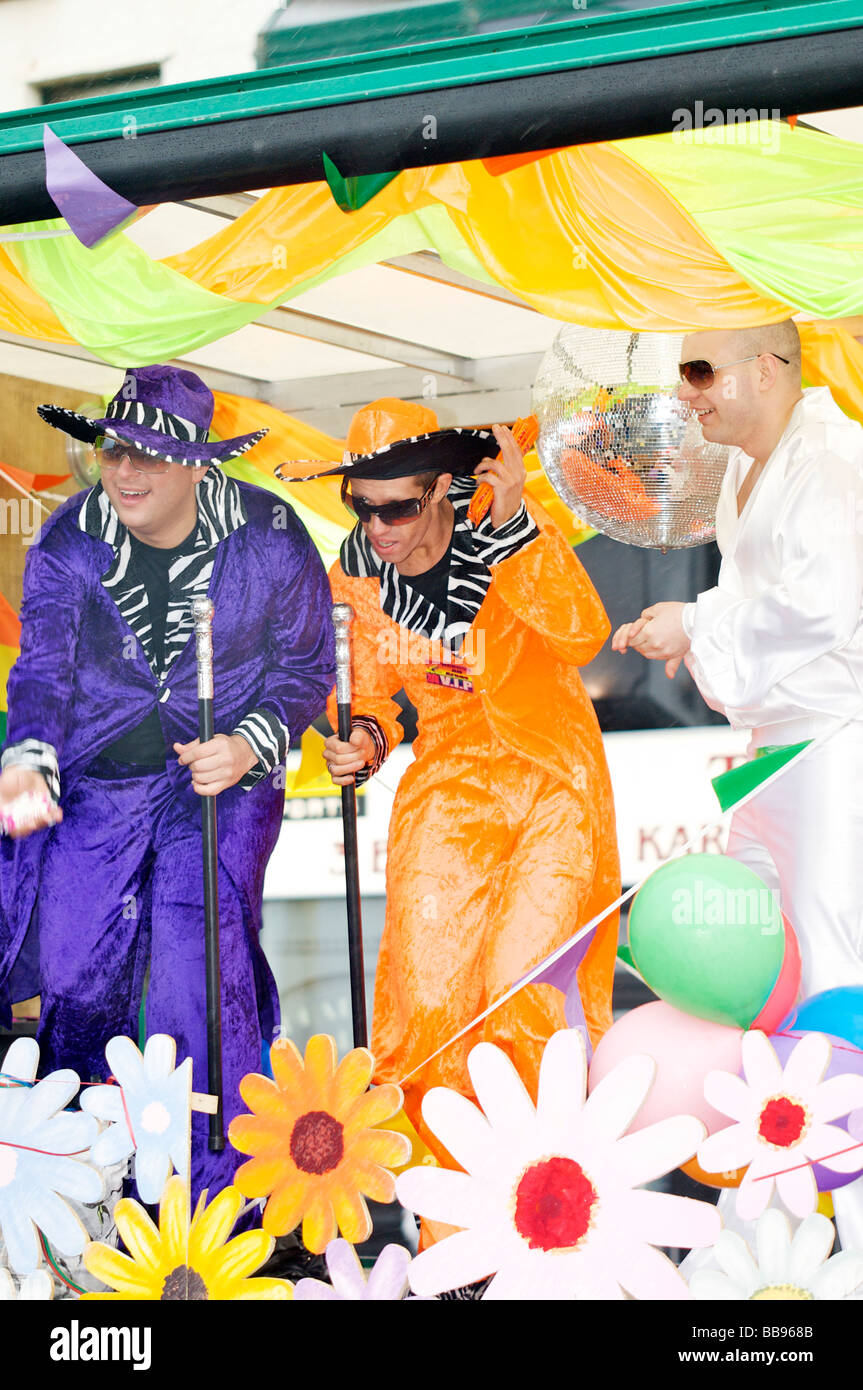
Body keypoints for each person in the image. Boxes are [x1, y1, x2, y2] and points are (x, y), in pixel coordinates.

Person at [0, 365, 335, 1199]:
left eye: (148, 455)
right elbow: (43, 665)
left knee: (197, 977)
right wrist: (27, 753)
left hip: (216, 785)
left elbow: (304, 668)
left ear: (198, 464)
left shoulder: (267, 535)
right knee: (76, 982)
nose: (125, 472)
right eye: (113, 451)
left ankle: (219, 1211)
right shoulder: (72, 540)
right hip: (97, 788)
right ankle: (83, 1207)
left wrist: (251, 744)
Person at [286, 398, 619, 1168]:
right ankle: (451, 1237)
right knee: (429, 1002)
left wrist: (514, 529)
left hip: (549, 781)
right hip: (449, 783)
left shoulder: (502, 525)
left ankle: (544, 1205)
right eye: (362, 508)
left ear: (440, 489)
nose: (379, 527)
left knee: (520, 993)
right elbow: (365, 698)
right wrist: (362, 739)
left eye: (397, 506)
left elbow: (580, 633)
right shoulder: (356, 576)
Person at [611, 320, 863, 1244]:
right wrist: (699, 630)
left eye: (699, 369)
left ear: (769, 366)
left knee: (834, 968)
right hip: (777, 744)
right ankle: (784, 1223)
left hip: (835, 743)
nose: (687, 391)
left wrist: (699, 627)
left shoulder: (831, 458)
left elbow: (820, 607)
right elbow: (777, 600)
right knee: (764, 964)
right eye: (683, 372)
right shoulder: (754, 470)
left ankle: (843, 1233)